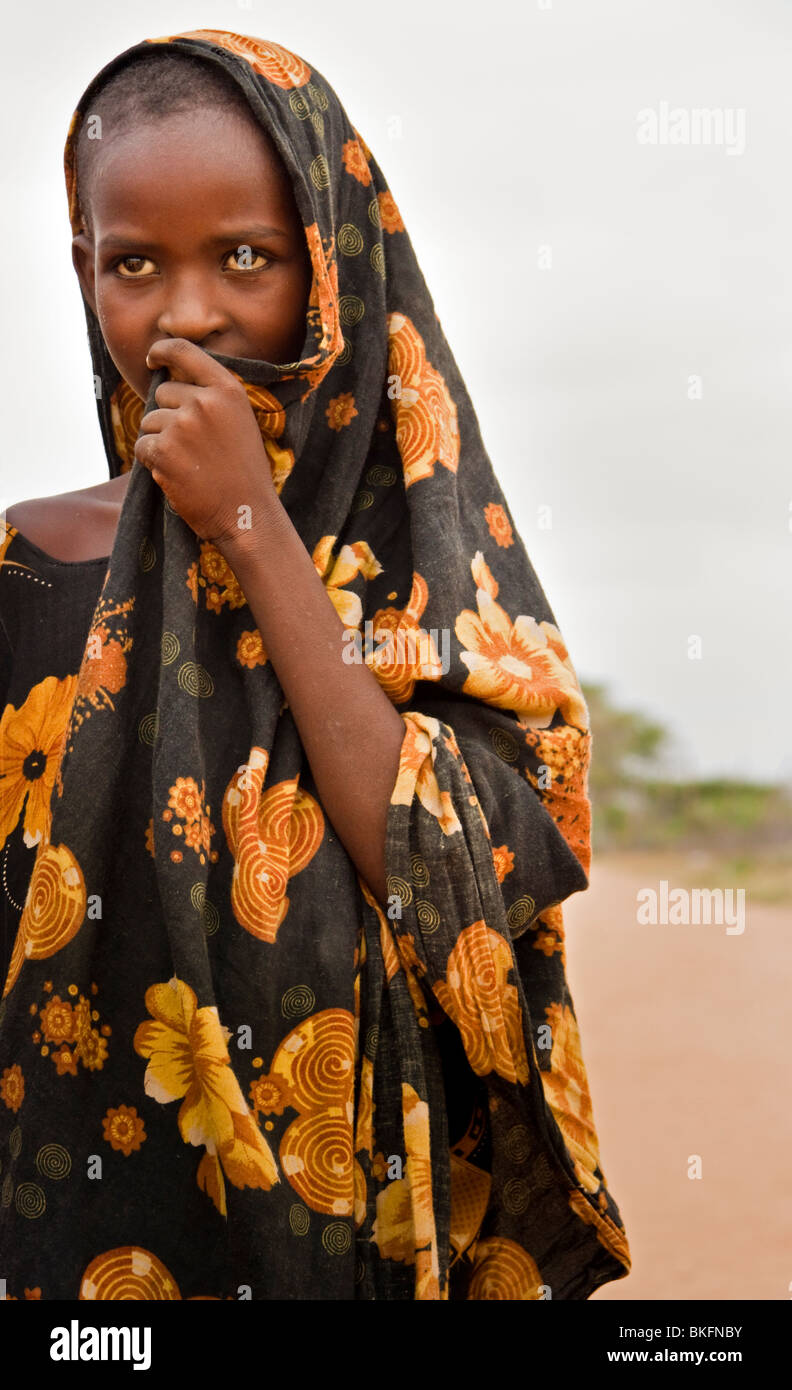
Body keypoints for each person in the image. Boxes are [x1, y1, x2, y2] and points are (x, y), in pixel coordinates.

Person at [0, 29, 630, 1300]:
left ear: (335, 267)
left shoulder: (438, 582)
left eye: (246, 256)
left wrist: (253, 530)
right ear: (84, 274)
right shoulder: (27, 563)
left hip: (362, 1245)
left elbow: (470, 874)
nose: (188, 312)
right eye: (134, 264)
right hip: (82, 1247)